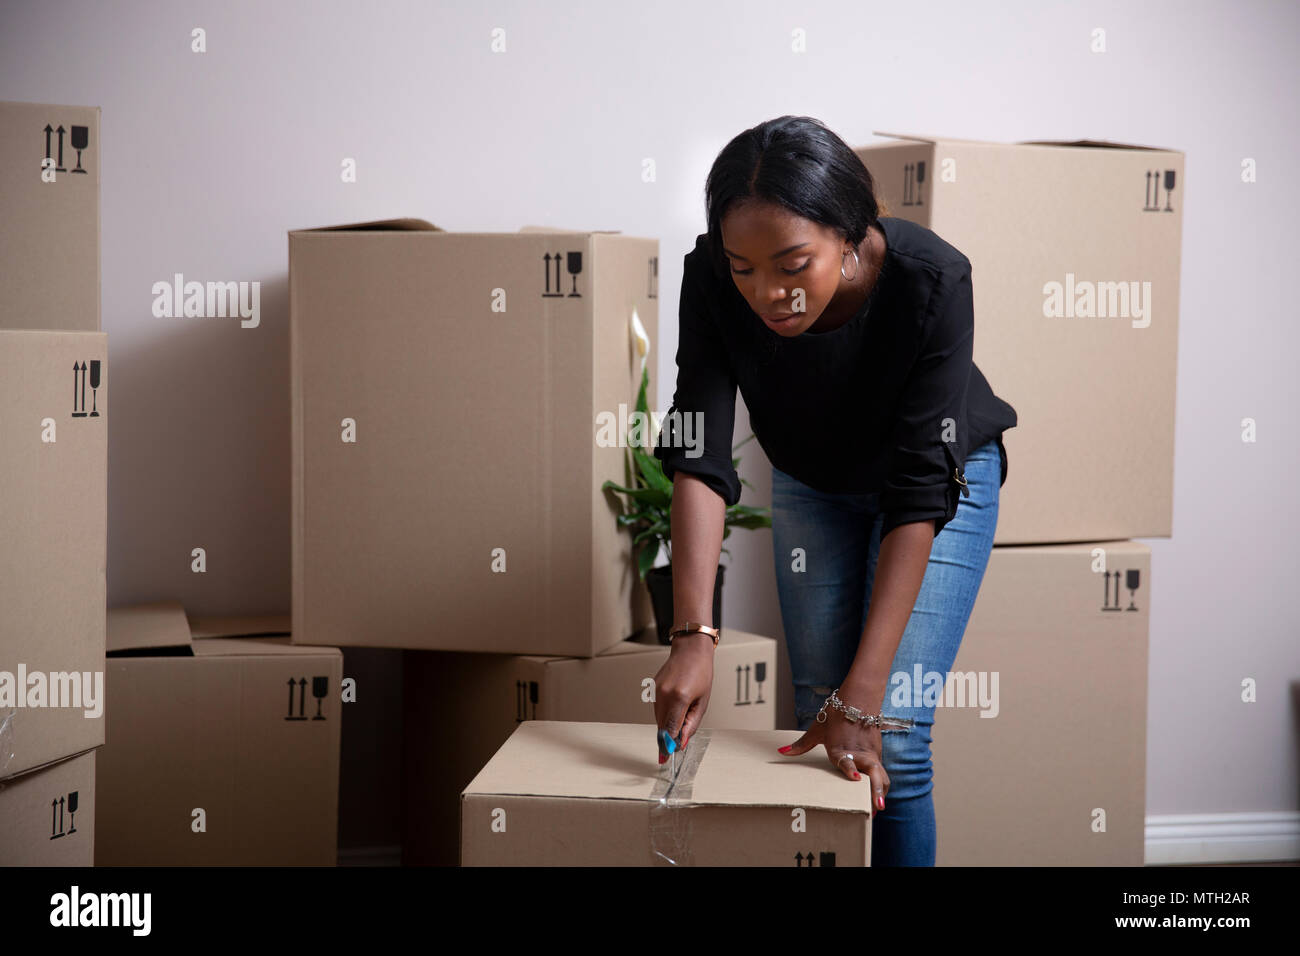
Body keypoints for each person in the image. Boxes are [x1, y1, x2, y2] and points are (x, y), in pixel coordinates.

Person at [650, 115, 1017, 866]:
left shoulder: (933, 279)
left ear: (850, 234)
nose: (768, 293)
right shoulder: (713, 280)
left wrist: (863, 700)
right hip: (814, 480)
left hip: (938, 486)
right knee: (827, 742)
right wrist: (693, 637)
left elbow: (920, 490)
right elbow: (700, 449)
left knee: (888, 742)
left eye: (793, 263)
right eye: (744, 268)